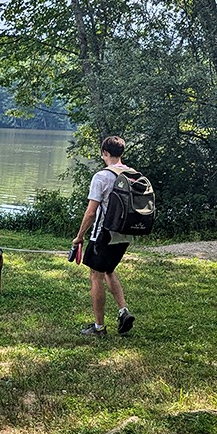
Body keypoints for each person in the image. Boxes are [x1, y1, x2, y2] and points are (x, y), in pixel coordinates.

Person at [71, 134, 136, 339]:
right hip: (125, 234)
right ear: (122, 153)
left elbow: (91, 212)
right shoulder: (133, 175)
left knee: (95, 275)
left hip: (104, 235)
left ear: (105, 153)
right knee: (109, 270)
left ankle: (99, 327)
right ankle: (123, 311)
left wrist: (79, 237)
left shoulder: (102, 176)